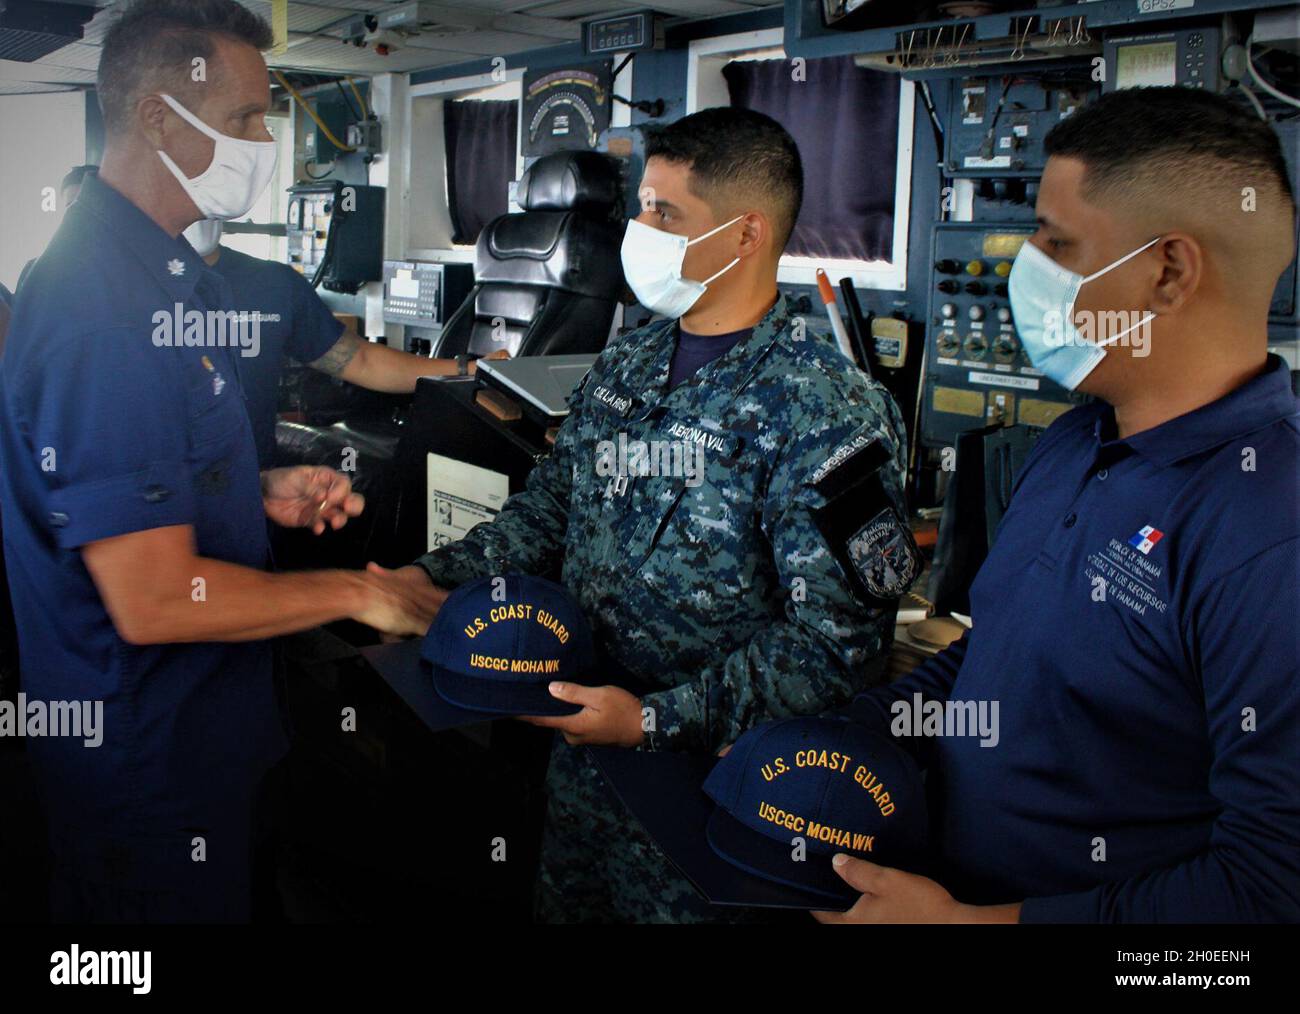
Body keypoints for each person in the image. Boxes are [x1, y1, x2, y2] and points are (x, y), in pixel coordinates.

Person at [366, 107, 923, 922]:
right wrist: (428, 577)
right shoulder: (629, 357)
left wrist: (654, 721)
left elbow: (833, 647)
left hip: (715, 786)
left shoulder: (826, 407)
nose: (639, 230)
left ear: (745, 235)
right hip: (584, 748)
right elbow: (550, 509)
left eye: (665, 214)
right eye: (642, 207)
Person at [0, 0, 439, 923]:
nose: (262, 141)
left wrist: (250, 487)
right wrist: (360, 594)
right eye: (244, 118)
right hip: (150, 761)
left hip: (208, 731)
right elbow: (154, 600)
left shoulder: (163, 275)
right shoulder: (101, 311)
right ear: (162, 116)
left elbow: (133, 471)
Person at [816, 87, 1299, 924]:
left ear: (1169, 271)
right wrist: (851, 732)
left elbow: (1268, 891)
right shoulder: (1073, 443)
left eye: (1058, 240)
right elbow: (991, 660)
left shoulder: (1271, 530)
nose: (1024, 265)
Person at [182, 219, 507, 468]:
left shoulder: (272, 284)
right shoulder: (131, 284)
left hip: (246, 498)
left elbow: (360, 360)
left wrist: (469, 368)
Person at [15, 165, 98, 296]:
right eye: (70, 207)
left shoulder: (125, 269)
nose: (76, 215)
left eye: (85, 206)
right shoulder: (35, 272)